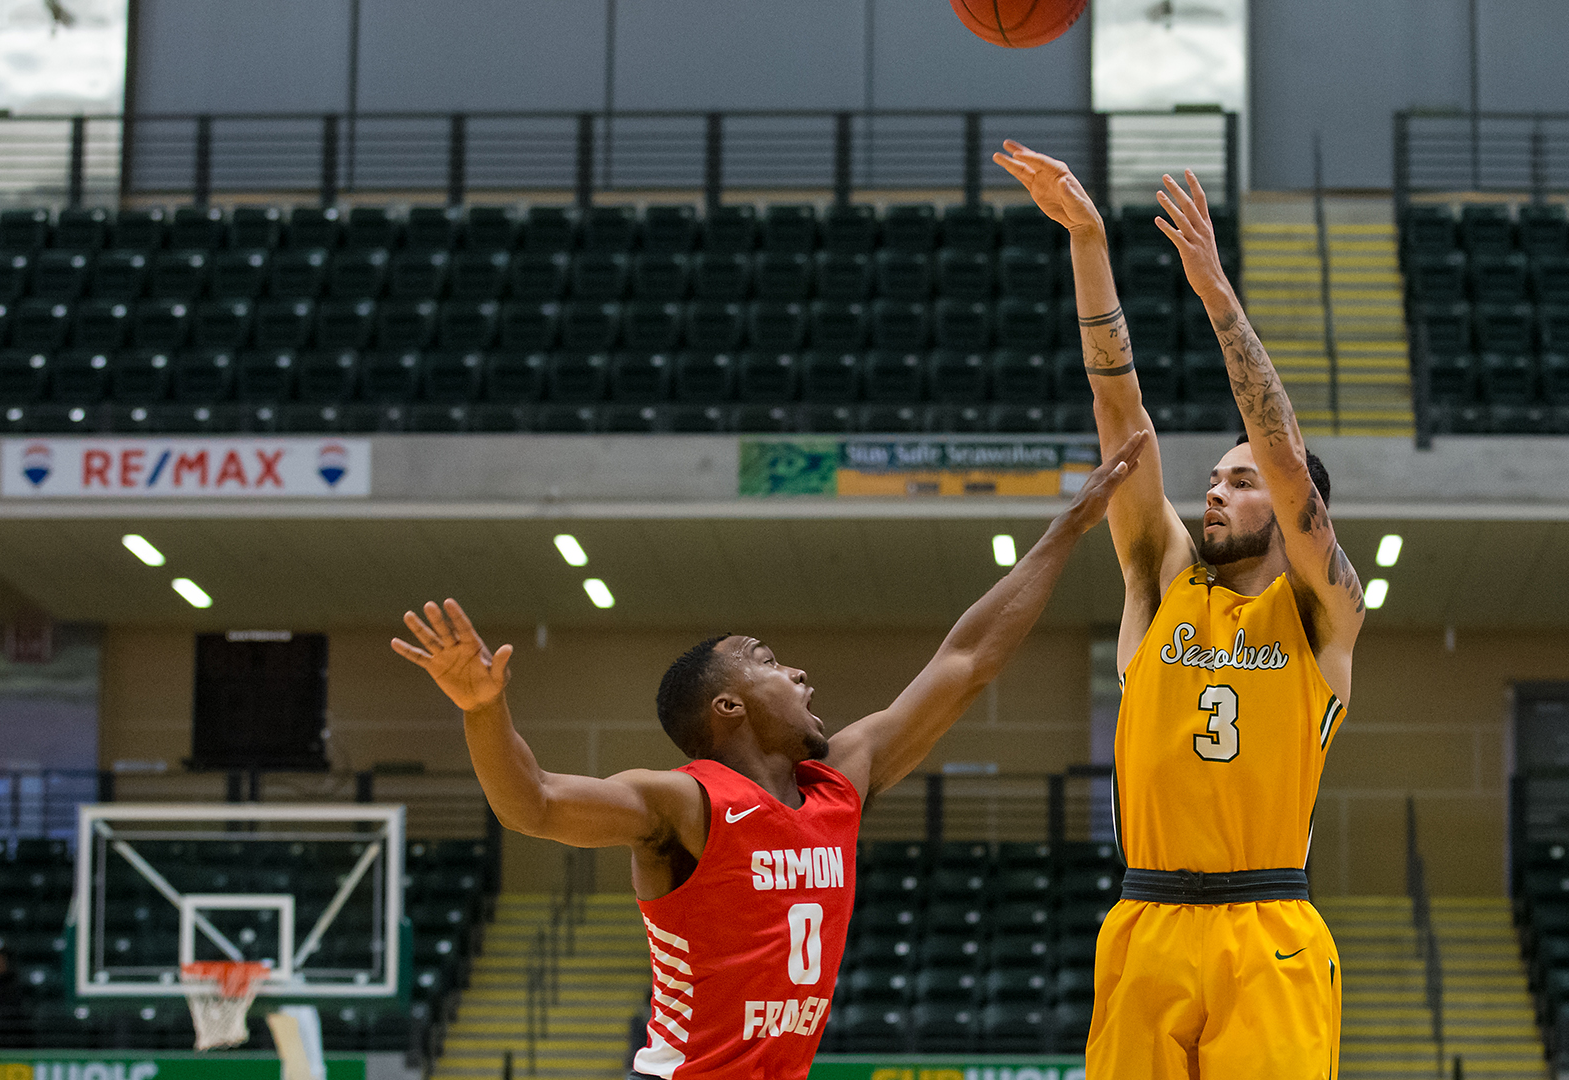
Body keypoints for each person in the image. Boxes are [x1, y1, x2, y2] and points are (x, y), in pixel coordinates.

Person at [392, 431, 1147, 1080]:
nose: (799, 674)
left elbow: (968, 660)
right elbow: (536, 802)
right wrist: (484, 711)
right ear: (729, 707)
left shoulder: (838, 785)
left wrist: (1071, 526)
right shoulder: (683, 803)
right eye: (770, 661)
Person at [997, 141, 1367, 1079]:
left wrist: (1215, 294)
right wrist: (1088, 240)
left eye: (1237, 483)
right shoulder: (1161, 582)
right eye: (1212, 478)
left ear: (1290, 514)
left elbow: (1285, 455)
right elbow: (1121, 419)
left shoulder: (1323, 610)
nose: (1214, 491)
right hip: (1146, 919)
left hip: (1268, 926)